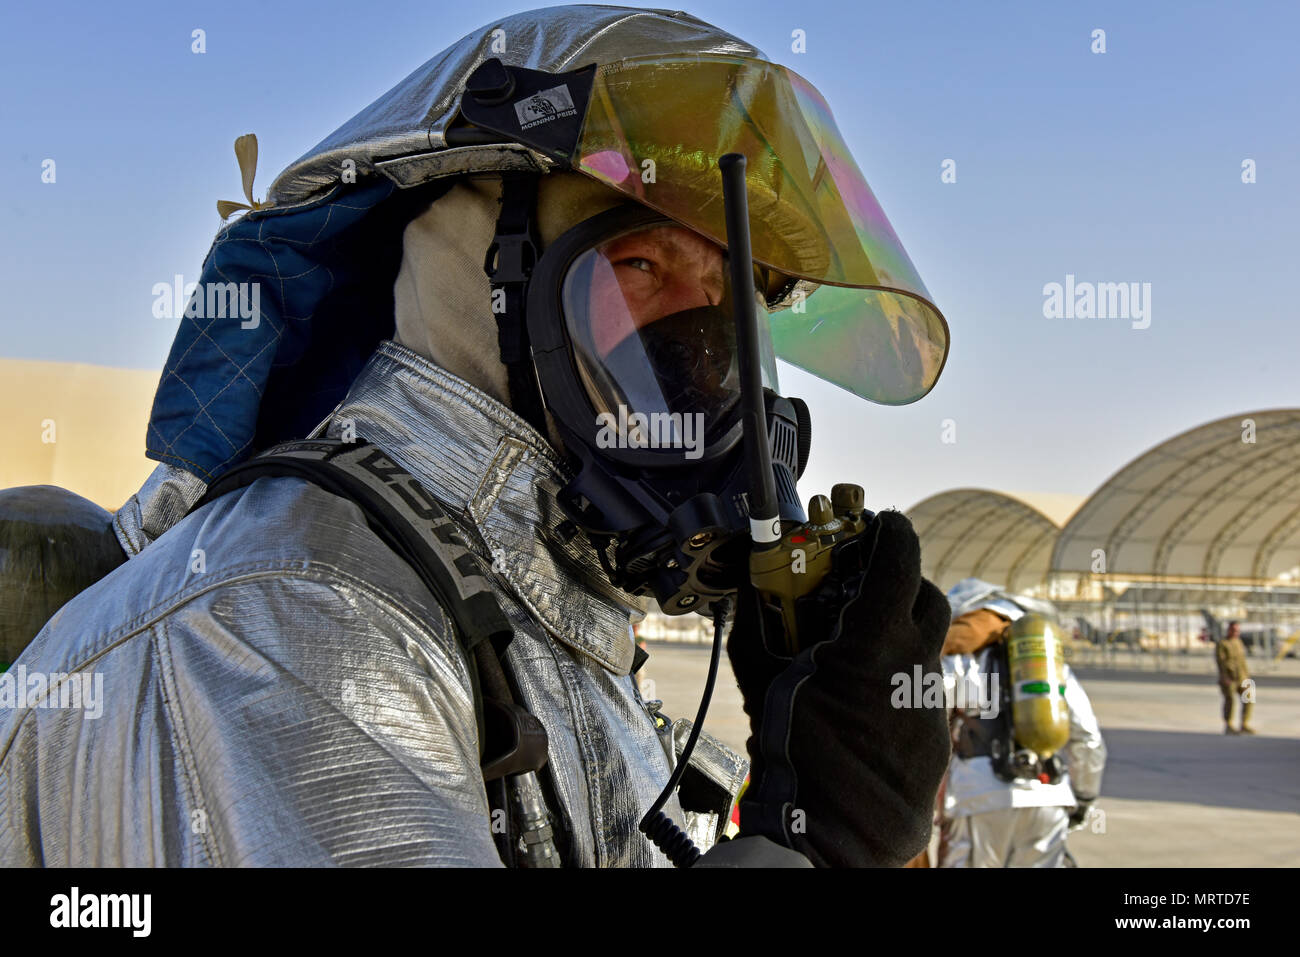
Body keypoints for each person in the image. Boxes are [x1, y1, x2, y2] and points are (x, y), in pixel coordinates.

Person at [0, 6, 953, 867]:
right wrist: (831, 853)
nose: (703, 352)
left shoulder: (538, 609)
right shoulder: (295, 613)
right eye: (641, 268)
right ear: (490, 286)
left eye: (731, 298)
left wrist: (814, 802)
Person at [936, 579, 1106, 868]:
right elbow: (1088, 737)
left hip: (978, 796)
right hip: (1048, 796)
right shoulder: (1047, 663)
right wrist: (1084, 798)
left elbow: (924, 718)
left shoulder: (961, 658)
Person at [1217, 621, 1255, 734]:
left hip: (1242, 677)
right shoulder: (1223, 643)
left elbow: (1242, 661)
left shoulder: (1238, 642)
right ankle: (1228, 725)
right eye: (1233, 630)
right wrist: (1224, 677)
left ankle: (1244, 724)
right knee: (1230, 701)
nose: (1236, 632)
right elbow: (1221, 662)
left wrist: (1248, 677)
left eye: (1237, 630)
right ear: (1229, 630)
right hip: (1230, 678)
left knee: (1248, 699)